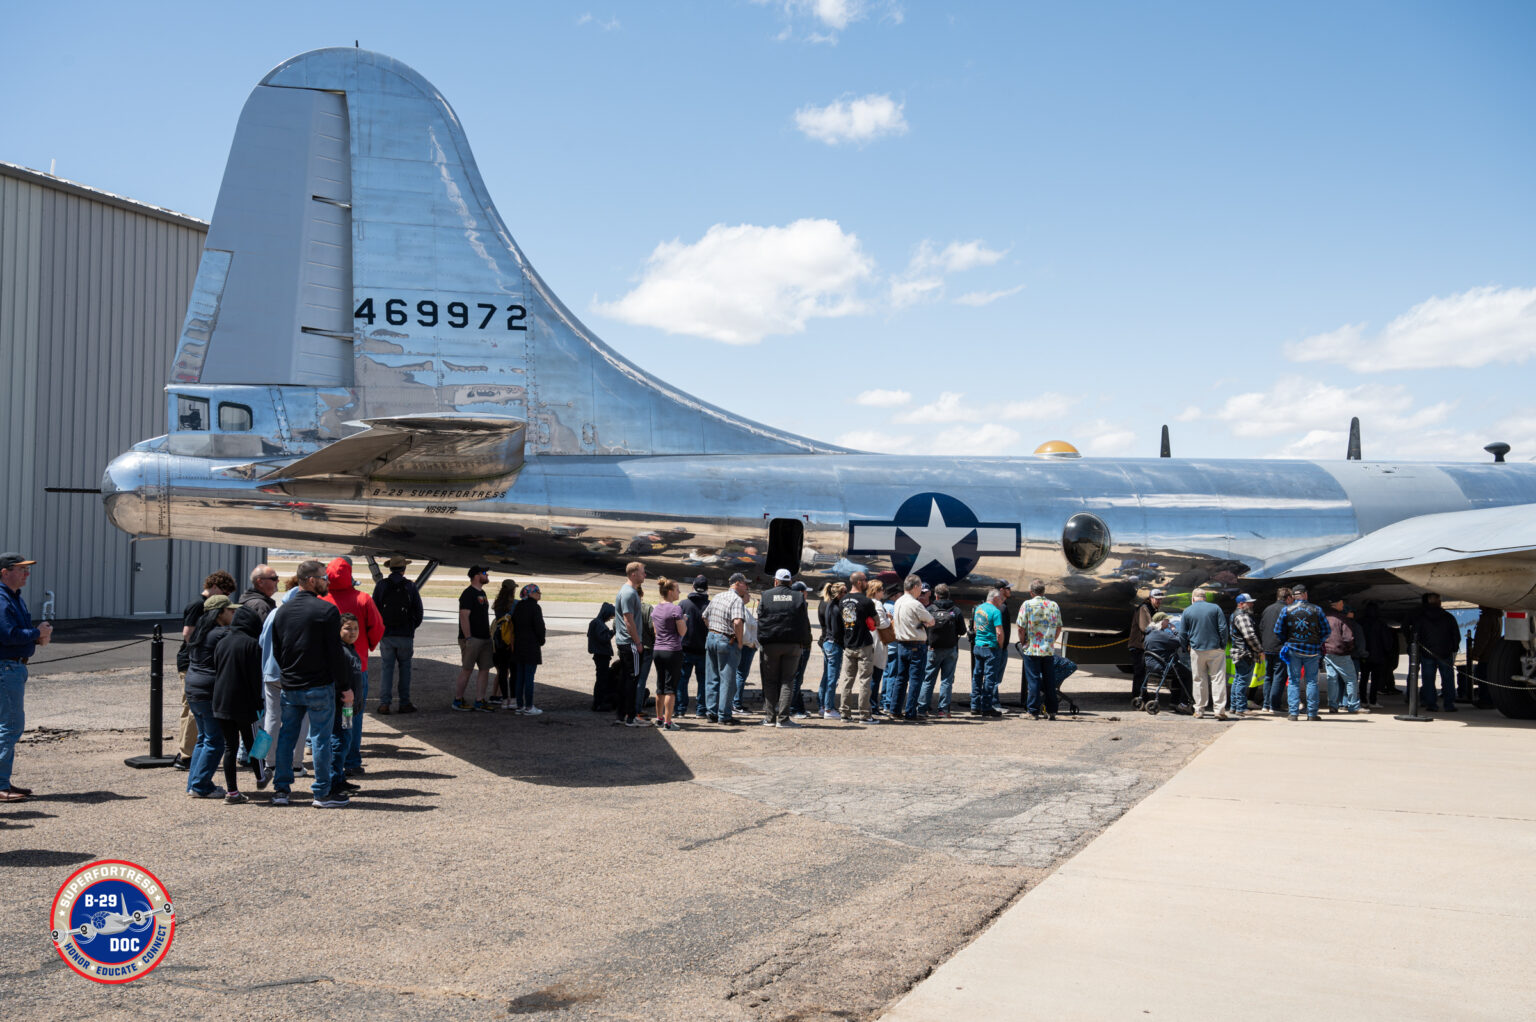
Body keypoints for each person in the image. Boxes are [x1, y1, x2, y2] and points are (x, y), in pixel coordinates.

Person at [270, 559, 353, 807]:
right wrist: (346, 687)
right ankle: (321, 792)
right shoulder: (326, 611)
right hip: (318, 685)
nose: (327, 582)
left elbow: (277, 650)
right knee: (320, 738)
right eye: (324, 578)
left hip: (291, 685)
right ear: (312, 580)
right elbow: (335, 654)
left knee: (287, 737)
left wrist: (289, 673)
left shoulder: (282, 611)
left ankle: (281, 790)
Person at [0, 552, 51, 802]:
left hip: (14, 667)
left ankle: (3, 781)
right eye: (21, 569)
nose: (26, 574)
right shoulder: (2, 599)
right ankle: (0, 785)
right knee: (10, 726)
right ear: (4, 572)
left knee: (8, 725)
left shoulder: (13, 598)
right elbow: (8, 635)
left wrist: (36, 635)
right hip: (7, 667)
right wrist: (36, 632)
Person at [174, 570, 237, 770]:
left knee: (196, 712)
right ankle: (186, 754)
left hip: (197, 664)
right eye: (225, 593)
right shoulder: (197, 605)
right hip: (192, 663)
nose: (226, 598)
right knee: (192, 711)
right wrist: (203, 652)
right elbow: (188, 634)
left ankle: (192, 751)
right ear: (216, 587)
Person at [322, 557, 385, 752]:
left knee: (326, 715)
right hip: (357, 666)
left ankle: (329, 756)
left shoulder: (320, 599)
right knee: (353, 714)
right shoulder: (363, 598)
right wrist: (367, 646)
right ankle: (351, 757)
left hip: (326, 668)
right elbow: (377, 627)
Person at [211, 607, 266, 804]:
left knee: (230, 747)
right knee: (255, 742)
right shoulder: (252, 645)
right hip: (244, 703)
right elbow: (255, 678)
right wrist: (258, 702)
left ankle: (232, 792)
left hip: (221, 702)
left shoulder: (222, 642)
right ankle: (261, 776)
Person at [184, 594, 236, 798]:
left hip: (194, 687)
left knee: (204, 737)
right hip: (209, 690)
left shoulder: (200, 632)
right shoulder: (222, 633)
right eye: (230, 610)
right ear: (219, 612)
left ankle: (194, 783)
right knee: (216, 740)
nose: (234, 613)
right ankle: (200, 785)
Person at [258, 579, 308, 781]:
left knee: (271, 717)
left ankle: (268, 761)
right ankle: (296, 763)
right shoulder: (300, 616)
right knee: (301, 718)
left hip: (271, 673)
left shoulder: (273, 614)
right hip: (295, 674)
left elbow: (262, 641)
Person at [757, 568, 813, 728]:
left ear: (775, 581)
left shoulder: (766, 595)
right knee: (787, 681)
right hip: (793, 645)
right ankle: (783, 719)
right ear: (790, 582)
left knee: (769, 681)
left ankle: (769, 718)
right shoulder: (798, 597)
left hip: (770, 643)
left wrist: (762, 640)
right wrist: (805, 642)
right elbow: (804, 622)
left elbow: (760, 618)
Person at [373, 555, 423, 714]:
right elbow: (418, 611)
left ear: (390, 568)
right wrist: (410, 627)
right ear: (404, 569)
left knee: (386, 669)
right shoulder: (410, 586)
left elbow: (374, 610)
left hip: (386, 634)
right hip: (405, 634)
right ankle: (404, 703)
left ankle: (384, 704)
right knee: (405, 669)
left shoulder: (381, 585)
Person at [1275, 582, 1329, 721]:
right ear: (1305, 594)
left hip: (1293, 649)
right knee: (1311, 682)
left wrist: (1288, 640)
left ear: (1293, 596)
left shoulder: (1286, 610)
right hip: (1312, 650)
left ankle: (1293, 713)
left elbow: (1278, 630)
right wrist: (1318, 642)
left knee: (1293, 681)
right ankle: (1312, 714)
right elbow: (1326, 631)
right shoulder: (1317, 610)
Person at [701, 572, 748, 725]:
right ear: (737, 583)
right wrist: (740, 641)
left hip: (712, 637)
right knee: (727, 680)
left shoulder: (718, 596)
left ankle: (712, 711)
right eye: (745, 584)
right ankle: (724, 715)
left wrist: (714, 630)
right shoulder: (736, 600)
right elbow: (737, 622)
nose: (747, 587)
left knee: (712, 677)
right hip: (726, 640)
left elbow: (704, 616)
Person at [890, 576, 935, 721]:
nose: (921, 590)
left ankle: (895, 709)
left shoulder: (898, 602)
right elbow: (931, 620)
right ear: (915, 587)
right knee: (916, 679)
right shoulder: (915, 604)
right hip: (916, 644)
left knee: (901, 678)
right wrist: (923, 624)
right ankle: (910, 712)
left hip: (902, 643)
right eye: (920, 587)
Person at [1181, 588, 1230, 720]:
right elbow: (1223, 628)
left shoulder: (1187, 611)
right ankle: (1219, 710)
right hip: (1215, 649)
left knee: (1198, 679)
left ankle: (1199, 710)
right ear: (1205, 598)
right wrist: (1222, 645)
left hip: (1196, 650)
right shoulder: (1215, 608)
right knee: (1218, 679)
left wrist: (1185, 647)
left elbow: (1183, 633)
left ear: (1193, 599)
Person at [1017, 579, 1063, 720]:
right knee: (1050, 680)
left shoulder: (1027, 604)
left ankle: (1033, 710)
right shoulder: (1053, 605)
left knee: (1034, 680)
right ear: (1044, 591)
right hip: (1048, 650)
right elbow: (1059, 627)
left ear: (1031, 592)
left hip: (1032, 649)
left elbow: (1020, 627)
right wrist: (1051, 641)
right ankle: (1052, 710)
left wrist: (1023, 642)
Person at [329, 614, 364, 796]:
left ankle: (340, 778)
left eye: (355, 629)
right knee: (339, 742)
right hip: (341, 707)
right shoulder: (340, 651)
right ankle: (333, 780)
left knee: (346, 741)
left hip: (350, 709)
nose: (352, 632)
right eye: (348, 628)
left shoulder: (351, 649)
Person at [837, 572, 878, 723]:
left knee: (847, 680)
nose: (867, 582)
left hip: (849, 644)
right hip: (863, 645)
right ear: (859, 582)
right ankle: (864, 714)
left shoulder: (843, 600)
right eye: (865, 580)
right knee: (864, 680)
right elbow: (877, 622)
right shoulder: (867, 601)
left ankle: (845, 713)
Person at [453, 565, 494, 712]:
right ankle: (458, 700)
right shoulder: (468, 594)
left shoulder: (482, 593)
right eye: (484, 573)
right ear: (477, 576)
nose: (487, 575)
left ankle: (480, 700)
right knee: (467, 669)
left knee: (485, 669)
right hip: (472, 639)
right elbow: (464, 616)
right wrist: (468, 637)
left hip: (484, 638)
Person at [613, 561, 648, 727]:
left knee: (626, 679)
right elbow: (628, 620)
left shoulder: (627, 591)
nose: (645, 575)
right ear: (634, 574)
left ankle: (621, 715)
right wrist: (638, 642)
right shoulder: (629, 593)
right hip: (630, 643)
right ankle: (630, 717)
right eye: (642, 572)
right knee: (633, 680)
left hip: (625, 642)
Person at [1412, 592, 1460, 712]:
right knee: (1448, 679)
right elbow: (1456, 635)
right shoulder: (1448, 617)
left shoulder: (1421, 618)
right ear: (1439, 602)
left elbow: (1415, 635)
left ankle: (1431, 704)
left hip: (1427, 653)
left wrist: (1419, 649)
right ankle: (1449, 704)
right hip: (1445, 653)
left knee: (1428, 680)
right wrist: (1453, 648)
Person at [649, 578, 686, 730]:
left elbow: (656, 631)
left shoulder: (656, 609)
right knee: (671, 688)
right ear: (670, 592)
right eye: (678, 590)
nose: (679, 593)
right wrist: (684, 620)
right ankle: (668, 722)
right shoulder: (675, 609)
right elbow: (682, 631)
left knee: (660, 686)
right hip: (672, 650)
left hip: (658, 650)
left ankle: (658, 718)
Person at [922, 583, 964, 717]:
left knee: (928, 679)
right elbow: (962, 630)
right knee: (947, 680)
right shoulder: (956, 610)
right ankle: (943, 710)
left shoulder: (930, 609)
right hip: (950, 649)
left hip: (933, 648)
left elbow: (924, 628)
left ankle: (922, 708)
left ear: (936, 595)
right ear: (948, 595)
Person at [1143, 613, 1193, 711]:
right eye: (1167, 620)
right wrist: (1174, 630)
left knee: (1177, 674)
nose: (1169, 622)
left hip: (1151, 664)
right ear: (1162, 622)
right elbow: (1180, 641)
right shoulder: (1162, 635)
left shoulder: (1149, 633)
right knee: (1187, 675)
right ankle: (1183, 703)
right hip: (1162, 665)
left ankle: (1174, 701)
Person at [510, 584, 546, 714]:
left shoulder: (518, 606)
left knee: (520, 677)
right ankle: (529, 706)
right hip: (531, 647)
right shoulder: (535, 607)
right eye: (537, 592)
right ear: (530, 593)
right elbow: (539, 627)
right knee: (529, 677)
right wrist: (541, 640)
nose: (539, 594)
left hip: (519, 646)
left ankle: (520, 706)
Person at [970, 588, 1005, 718]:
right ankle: (986, 706)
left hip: (978, 645)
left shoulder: (979, 608)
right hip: (991, 647)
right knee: (990, 678)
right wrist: (1000, 645)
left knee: (977, 676)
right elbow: (999, 632)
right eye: (1000, 598)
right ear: (995, 598)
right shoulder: (996, 611)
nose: (1002, 601)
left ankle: (974, 705)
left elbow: (975, 627)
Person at [1228, 593, 1265, 720]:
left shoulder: (1235, 615)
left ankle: (1234, 706)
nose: (1252, 604)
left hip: (1239, 652)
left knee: (1238, 679)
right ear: (1241, 604)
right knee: (1243, 681)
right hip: (1245, 653)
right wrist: (1259, 650)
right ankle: (1241, 708)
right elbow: (1249, 636)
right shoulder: (1242, 616)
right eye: (1249, 602)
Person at [1323, 597, 1361, 714]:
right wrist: (1350, 649)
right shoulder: (1342, 618)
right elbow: (1348, 638)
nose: (1343, 605)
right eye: (1342, 603)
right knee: (1351, 679)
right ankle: (1353, 705)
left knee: (1332, 679)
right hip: (1341, 652)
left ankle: (1333, 705)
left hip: (1327, 652)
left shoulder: (1324, 617)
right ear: (1338, 604)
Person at [1356, 601, 1398, 708]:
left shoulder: (1361, 622)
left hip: (1364, 655)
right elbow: (1387, 641)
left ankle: (1363, 700)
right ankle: (1373, 701)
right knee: (1375, 680)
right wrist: (1387, 652)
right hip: (1378, 656)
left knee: (1363, 679)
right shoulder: (1381, 623)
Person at [1258, 588, 1292, 714]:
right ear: (1288, 598)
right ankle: (1274, 705)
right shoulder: (1287, 610)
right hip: (1280, 647)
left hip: (1267, 647)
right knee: (1279, 676)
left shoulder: (1267, 609)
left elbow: (1261, 627)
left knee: (1268, 676)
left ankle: (1266, 704)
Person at [678, 578, 709, 716]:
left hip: (685, 648)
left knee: (682, 680)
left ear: (693, 587)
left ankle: (680, 709)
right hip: (703, 649)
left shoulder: (683, 604)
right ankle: (701, 710)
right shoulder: (710, 605)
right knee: (703, 681)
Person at [1127, 588, 1164, 705]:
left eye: (1160, 599)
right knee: (1140, 672)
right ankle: (1138, 696)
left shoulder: (1153, 608)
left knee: (1144, 672)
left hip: (1144, 646)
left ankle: (1142, 694)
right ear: (1151, 598)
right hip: (1139, 646)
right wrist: (1160, 625)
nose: (1159, 601)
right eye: (1156, 599)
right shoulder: (1144, 608)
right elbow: (1145, 627)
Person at [817, 581, 847, 718]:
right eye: (844, 592)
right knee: (832, 678)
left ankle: (823, 706)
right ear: (839, 594)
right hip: (834, 644)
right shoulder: (835, 609)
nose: (846, 595)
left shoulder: (829, 605)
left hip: (828, 643)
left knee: (826, 676)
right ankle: (829, 708)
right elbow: (836, 630)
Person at [491, 579, 519, 707]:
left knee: (502, 672)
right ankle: (513, 699)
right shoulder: (515, 604)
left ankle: (504, 700)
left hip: (499, 641)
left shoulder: (497, 604)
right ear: (513, 590)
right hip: (511, 641)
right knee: (513, 672)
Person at [732, 596, 759, 715]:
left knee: (739, 674)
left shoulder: (742, 609)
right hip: (746, 646)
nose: (750, 596)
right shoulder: (741, 609)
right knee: (741, 674)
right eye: (747, 594)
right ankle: (736, 703)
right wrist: (750, 643)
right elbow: (744, 630)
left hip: (744, 645)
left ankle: (735, 702)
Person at [587, 603, 616, 711]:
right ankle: (599, 703)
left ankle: (598, 702)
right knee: (601, 680)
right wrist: (613, 632)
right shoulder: (598, 624)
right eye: (610, 616)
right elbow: (604, 638)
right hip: (602, 655)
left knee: (601, 679)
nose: (610, 619)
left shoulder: (596, 623)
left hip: (600, 655)